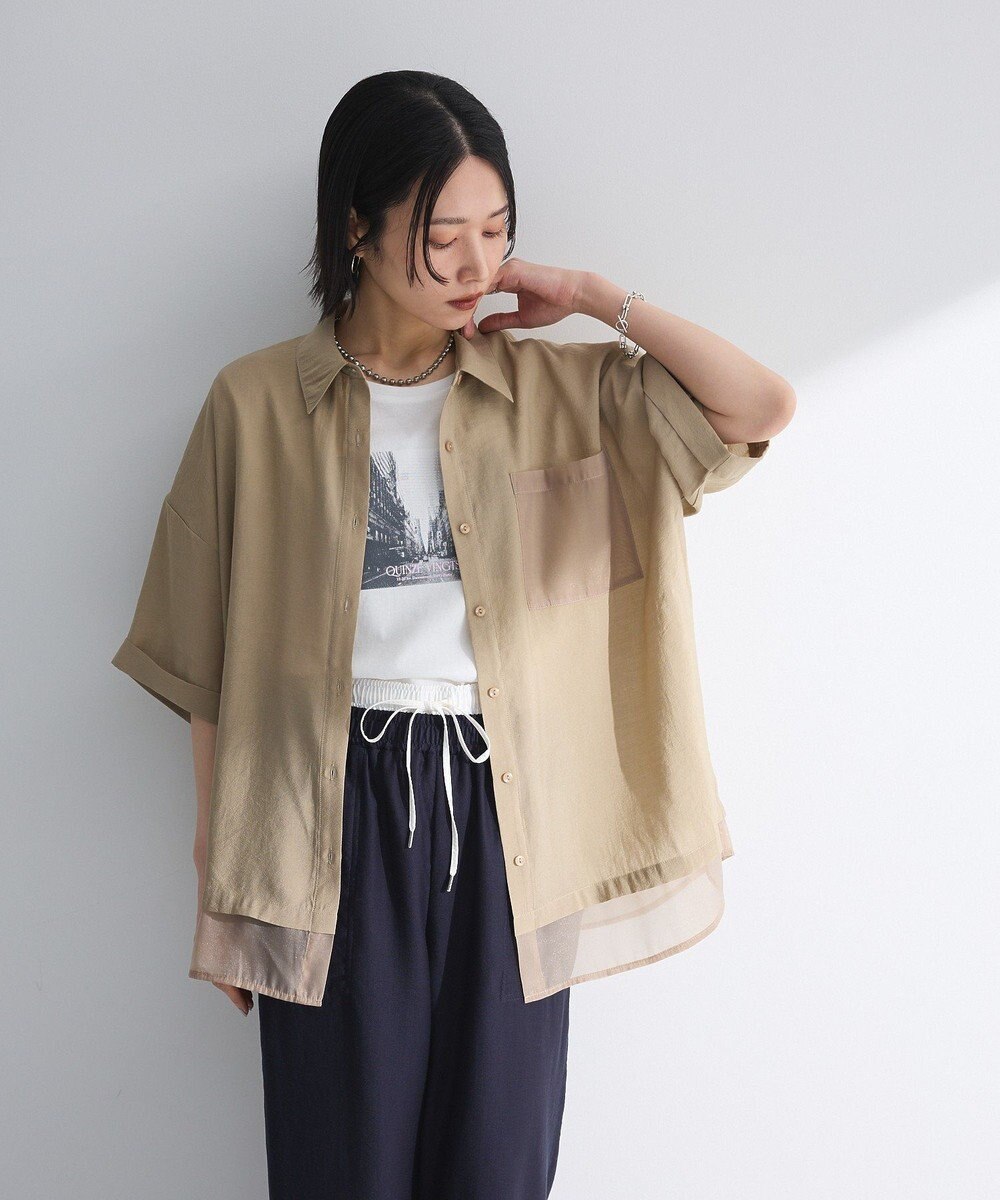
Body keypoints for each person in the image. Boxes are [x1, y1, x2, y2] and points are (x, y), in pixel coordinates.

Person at [112, 70, 794, 1200]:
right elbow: (206, 665)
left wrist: (593, 295)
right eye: (443, 238)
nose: (478, 265)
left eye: (497, 230)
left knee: (498, 1163)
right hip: (326, 814)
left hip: (513, 809)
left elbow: (757, 408)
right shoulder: (255, 405)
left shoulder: (570, 394)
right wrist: (218, 875)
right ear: (358, 229)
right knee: (343, 1165)